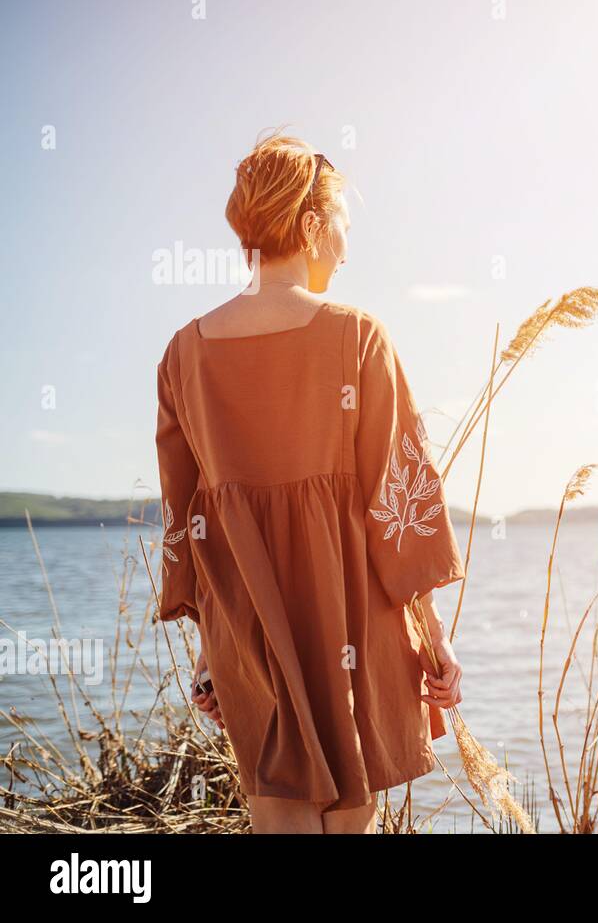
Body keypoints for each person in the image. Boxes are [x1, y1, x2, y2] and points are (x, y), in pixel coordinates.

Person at [154, 133, 465, 833]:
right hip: (352, 617)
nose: (347, 250)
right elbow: (398, 505)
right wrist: (434, 638)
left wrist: (213, 646)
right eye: (343, 228)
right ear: (309, 227)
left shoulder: (183, 354)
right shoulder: (358, 337)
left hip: (249, 629)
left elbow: (187, 518)